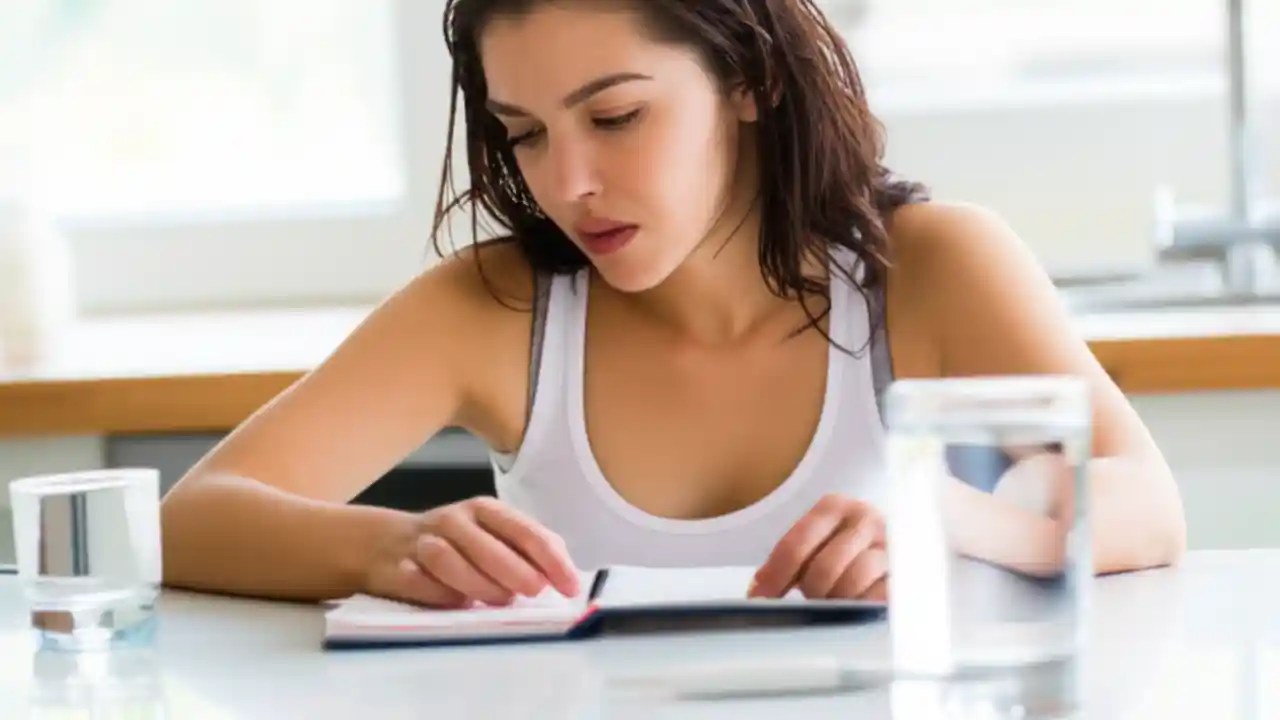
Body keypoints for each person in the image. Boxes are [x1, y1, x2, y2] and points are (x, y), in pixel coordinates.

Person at [160, 0, 1186, 609]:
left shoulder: (926, 269)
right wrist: (386, 547)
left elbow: (1142, 499)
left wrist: (947, 524)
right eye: (524, 132)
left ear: (750, 80)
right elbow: (192, 520)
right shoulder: (491, 310)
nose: (568, 183)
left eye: (615, 116)